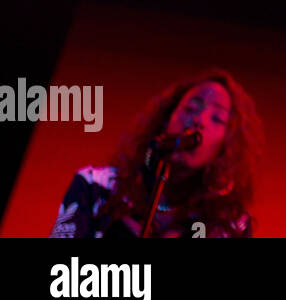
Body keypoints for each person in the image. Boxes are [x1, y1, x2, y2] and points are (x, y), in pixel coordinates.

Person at [49, 68, 263, 238]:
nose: (199, 120)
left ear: (225, 147)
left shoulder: (231, 225)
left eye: (217, 118)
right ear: (165, 120)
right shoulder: (94, 186)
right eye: (190, 108)